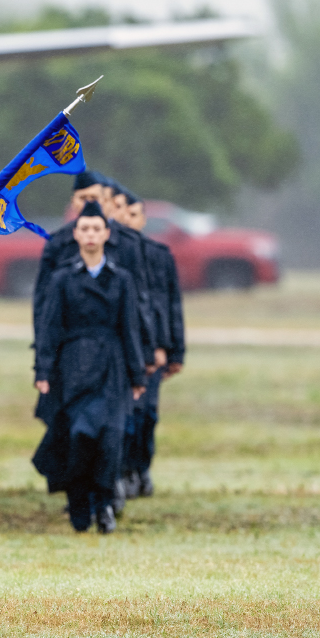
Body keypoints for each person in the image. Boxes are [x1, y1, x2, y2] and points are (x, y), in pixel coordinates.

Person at [32, 203, 146, 534]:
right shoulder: (62, 279)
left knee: (110, 440)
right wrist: (43, 371)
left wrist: (137, 374)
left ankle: (105, 503)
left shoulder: (122, 279)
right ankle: (79, 500)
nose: (91, 235)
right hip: (73, 369)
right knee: (78, 436)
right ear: (76, 234)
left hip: (112, 369)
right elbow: (50, 328)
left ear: (107, 234)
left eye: (97, 229)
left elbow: (130, 329)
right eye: (85, 229)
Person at [120, 194, 185, 498]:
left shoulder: (159, 255)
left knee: (147, 415)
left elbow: (171, 305)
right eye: (121, 212)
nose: (126, 219)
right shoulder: (112, 255)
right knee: (127, 415)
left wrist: (174, 351)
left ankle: (140, 468)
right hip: (124, 349)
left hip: (156, 348)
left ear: (143, 219)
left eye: (133, 214)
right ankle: (123, 472)